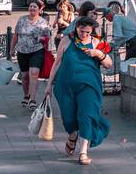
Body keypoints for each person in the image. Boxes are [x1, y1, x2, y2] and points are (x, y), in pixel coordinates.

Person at [44, 13, 112, 165]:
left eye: (87, 32)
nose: (84, 34)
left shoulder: (96, 43)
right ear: (76, 28)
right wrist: (49, 84)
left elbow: (109, 64)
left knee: (86, 116)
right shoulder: (66, 40)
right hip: (65, 85)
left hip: (89, 86)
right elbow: (57, 63)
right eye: (82, 31)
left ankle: (83, 152)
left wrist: (98, 54)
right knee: (69, 118)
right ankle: (73, 135)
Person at [10, 0, 51, 109]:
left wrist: (42, 39)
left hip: (37, 50)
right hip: (22, 51)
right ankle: (26, 95)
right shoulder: (22, 20)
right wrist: (11, 49)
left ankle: (33, 99)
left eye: (34, 7)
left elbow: (48, 38)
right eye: (30, 6)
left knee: (34, 73)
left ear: (39, 10)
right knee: (24, 76)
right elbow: (15, 35)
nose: (32, 8)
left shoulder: (43, 22)